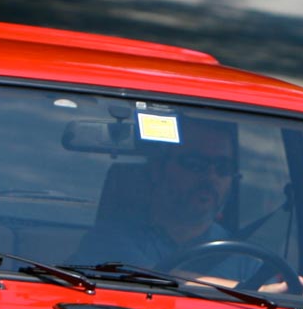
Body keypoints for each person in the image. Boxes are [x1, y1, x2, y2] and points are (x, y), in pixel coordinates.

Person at [73, 117, 257, 279]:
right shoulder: (109, 238)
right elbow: (147, 276)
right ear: (158, 169)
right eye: (195, 164)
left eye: (223, 167)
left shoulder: (244, 257)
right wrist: (251, 292)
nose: (211, 176)